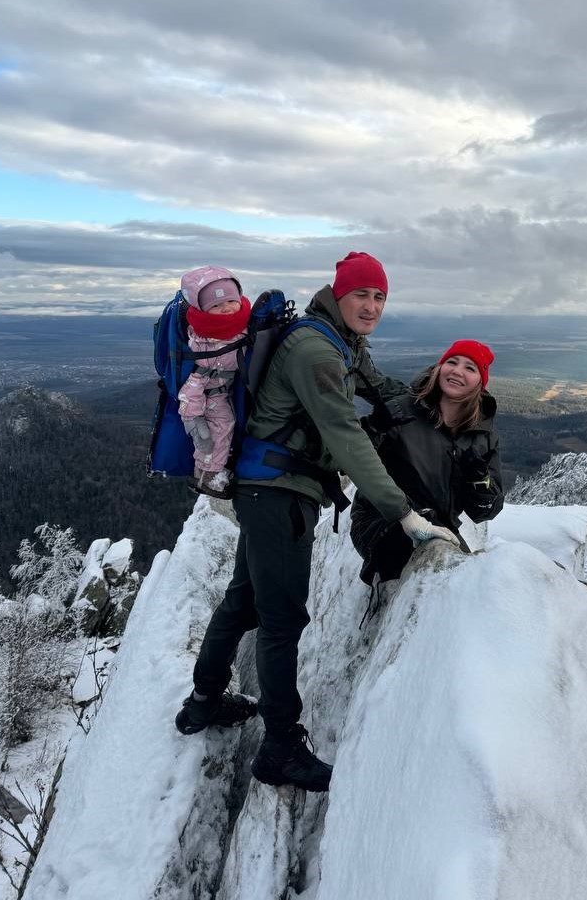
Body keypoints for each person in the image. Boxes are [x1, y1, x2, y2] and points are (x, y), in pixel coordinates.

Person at [174, 252, 458, 792]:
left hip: (268, 490)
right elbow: (345, 435)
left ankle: (203, 701)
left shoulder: (339, 340)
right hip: (279, 496)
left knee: (245, 600)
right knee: (281, 622)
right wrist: (405, 514)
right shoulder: (315, 349)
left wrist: (433, 402)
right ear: (339, 293)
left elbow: (377, 388)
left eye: (379, 297)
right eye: (362, 295)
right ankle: (279, 748)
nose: (371, 306)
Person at [350, 339, 504, 590]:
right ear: (439, 368)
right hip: (382, 520)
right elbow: (351, 454)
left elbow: (486, 511)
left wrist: (480, 481)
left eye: (470, 368)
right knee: (431, 569)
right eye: (451, 362)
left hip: (440, 525)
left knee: (469, 584)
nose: (457, 371)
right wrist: (375, 427)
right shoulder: (401, 410)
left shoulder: (483, 438)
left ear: (480, 383)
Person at [177, 266, 251, 498]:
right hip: (209, 396)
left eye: (230, 301)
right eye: (216, 306)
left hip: (225, 389)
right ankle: (208, 476)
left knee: (226, 428)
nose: (226, 308)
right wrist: (192, 415)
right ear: (204, 311)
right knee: (217, 432)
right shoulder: (204, 340)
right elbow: (194, 380)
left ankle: (214, 467)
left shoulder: (239, 328)